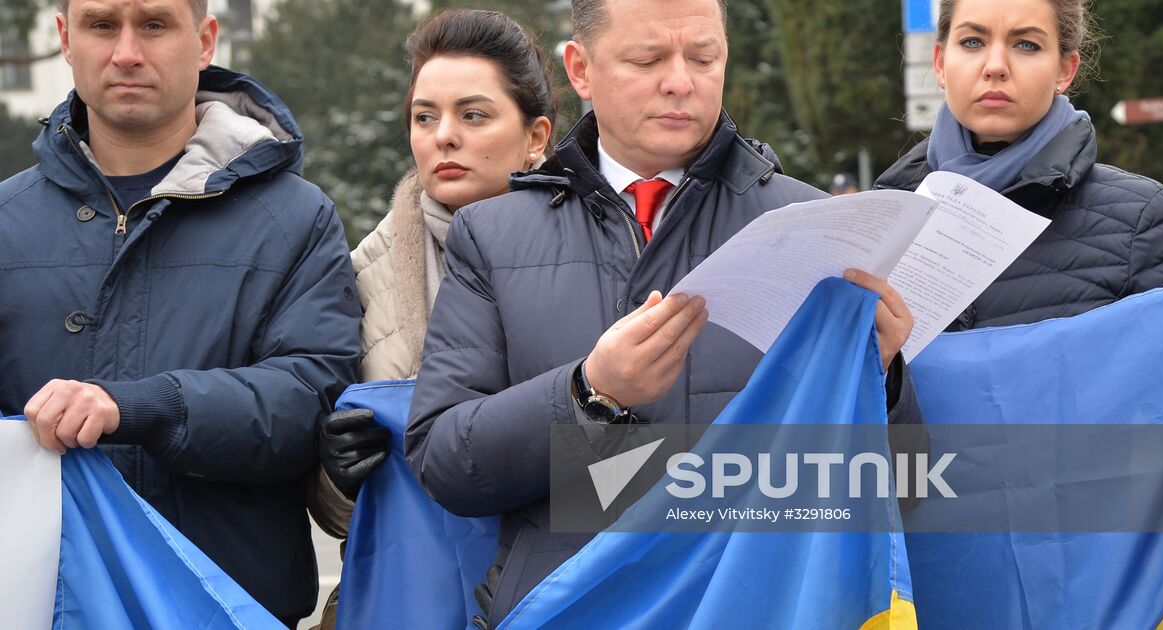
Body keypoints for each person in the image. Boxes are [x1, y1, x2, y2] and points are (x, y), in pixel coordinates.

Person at [404, 0, 924, 626]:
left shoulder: (814, 229)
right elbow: (447, 464)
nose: (681, 81)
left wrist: (881, 376)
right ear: (581, 69)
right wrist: (588, 394)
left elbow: (901, 488)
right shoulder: (492, 236)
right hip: (566, 606)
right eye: (647, 59)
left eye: (704, 57)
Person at [0, 0, 361, 626]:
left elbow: (312, 398)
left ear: (205, 41)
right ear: (64, 37)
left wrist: (144, 406)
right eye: (102, 25)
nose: (127, 53)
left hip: (226, 606)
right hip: (41, 603)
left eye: (155, 25)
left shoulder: (296, 218)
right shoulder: (6, 220)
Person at [307, 9, 556, 629]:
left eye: (473, 115)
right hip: (411, 601)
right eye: (425, 117)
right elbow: (334, 514)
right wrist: (337, 477)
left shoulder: (605, 254)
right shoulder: (361, 273)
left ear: (537, 136)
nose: (443, 136)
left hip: (558, 592)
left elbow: (641, 460)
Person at [876, 0, 1163, 329]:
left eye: (1026, 45)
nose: (995, 66)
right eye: (973, 41)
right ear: (940, 63)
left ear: (1065, 70)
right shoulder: (884, 214)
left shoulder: (1141, 221)